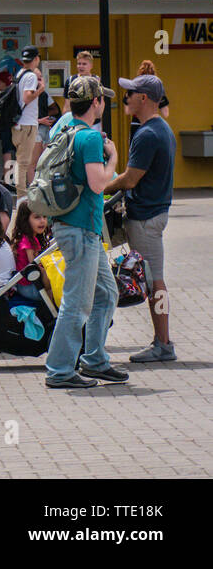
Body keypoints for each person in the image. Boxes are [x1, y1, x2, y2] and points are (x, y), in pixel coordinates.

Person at [43, 75, 124, 389]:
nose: (104, 102)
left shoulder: (64, 129)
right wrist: (113, 155)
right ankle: (60, 370)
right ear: (96, 103)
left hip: (76, 227)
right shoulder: (90, 138)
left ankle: (95, 360)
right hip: (80, 230)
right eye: (102, 98)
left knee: (106, 293)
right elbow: (98, 183)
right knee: (77, 303)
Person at [106, 73, 177, 363]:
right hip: (154, 213)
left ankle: (163, 343)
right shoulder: (161, 128)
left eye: (131, 93)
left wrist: (100, 187)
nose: (127, 97)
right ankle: (162, 342)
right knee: (152, 279)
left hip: (146, 217)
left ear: (144, 98)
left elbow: (131, 179)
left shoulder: (147, 134)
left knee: (154, 281)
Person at [12, 46, 43, 197]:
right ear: (36, 59)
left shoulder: (20, 73)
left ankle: (21, 194)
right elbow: (26, 97)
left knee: (21, 161)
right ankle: (21, 196)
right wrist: (40, 90)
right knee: (23, 163)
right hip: (27, 125)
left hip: (18, 124)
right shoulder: (30, 76)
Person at [8, 200, 50, 303]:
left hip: (27, 287)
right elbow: (35, 266)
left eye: (44, 217)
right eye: (37, 217)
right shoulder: (28, 241)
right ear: (25, 220)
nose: (42, 221)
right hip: (30, 289)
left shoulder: (28, 238)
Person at [127, 61, 170, 135]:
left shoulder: (135, 84)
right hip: (151, 123)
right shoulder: (157, 87)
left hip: (136, 123)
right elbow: (165, 112)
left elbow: (128, 109)